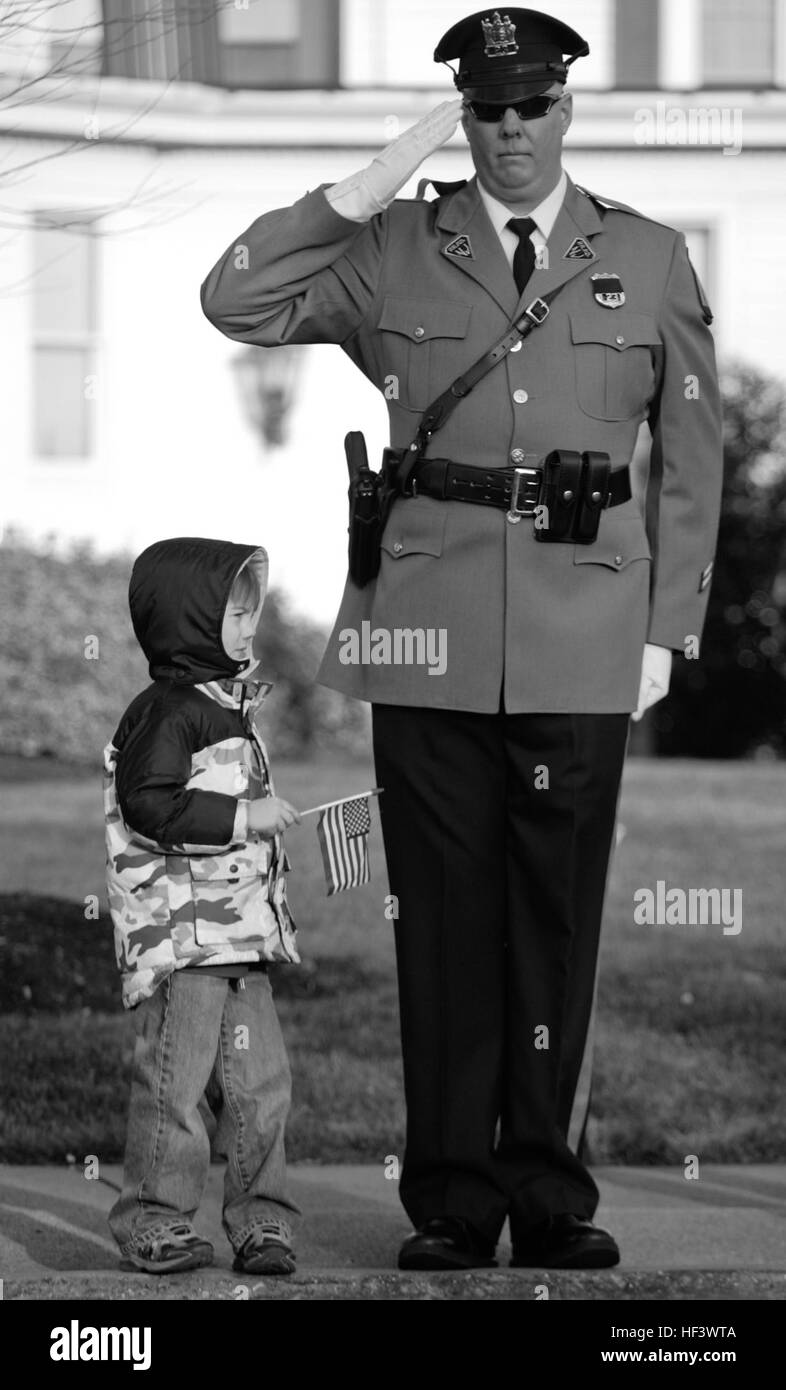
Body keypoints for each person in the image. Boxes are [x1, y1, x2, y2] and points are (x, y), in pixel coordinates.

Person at [200, 8, 723, 1270]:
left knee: (553, 921)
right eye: (486, 110)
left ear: (567, 109)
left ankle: (547, 1191)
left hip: (587, 642)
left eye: (532, 106)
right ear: (463, 118)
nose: (510, 132)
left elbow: (694, 460)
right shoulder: (393, 247)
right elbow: (237, 297)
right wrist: (367, 180)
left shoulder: (645, 257)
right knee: (439, 922)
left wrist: (668, 632)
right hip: (426, 640)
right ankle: (448, 1197)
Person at [103, 536, 302, 1275]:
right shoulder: (167, 713)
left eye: (254, 611)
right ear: (188, 620)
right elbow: (150, 804)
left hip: (240, 945)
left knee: (260, 1090)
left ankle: (261, 1221)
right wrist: (243, 818)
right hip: (187, 948)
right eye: (234, 612)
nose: (251, 626)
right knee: (174, 1088)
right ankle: (153, 1218)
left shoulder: (228, 708)